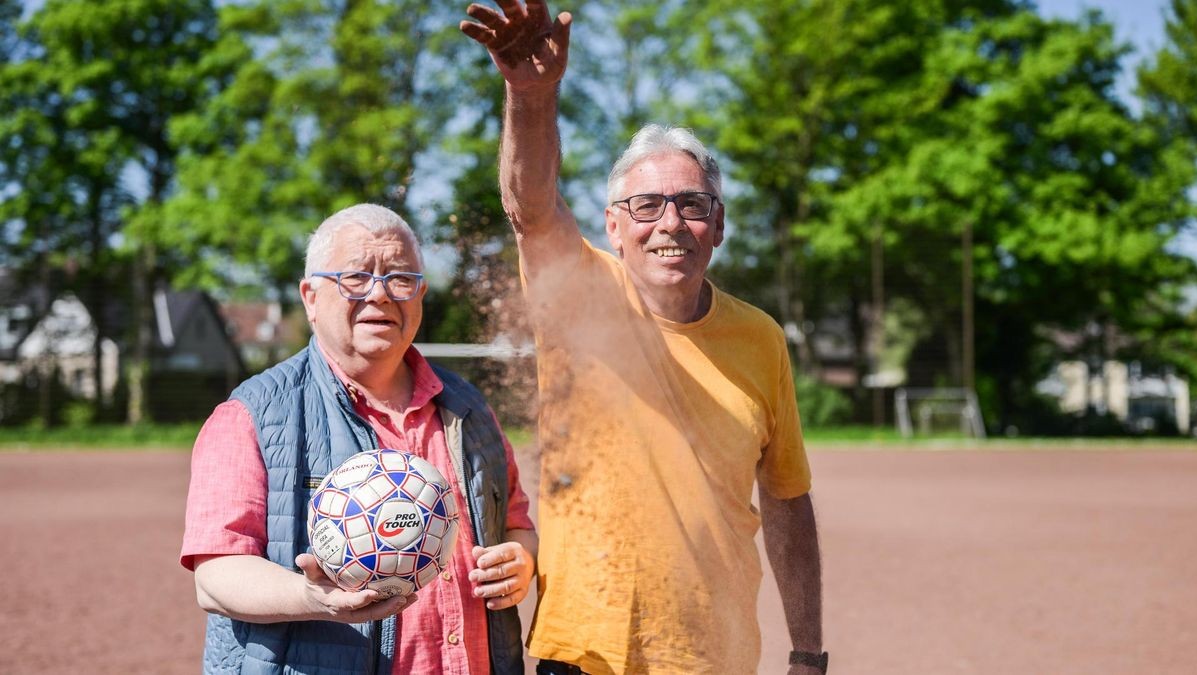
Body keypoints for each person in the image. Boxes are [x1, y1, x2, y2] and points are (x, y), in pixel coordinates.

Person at [461, 2, 826, 674]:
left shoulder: (760, 337)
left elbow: (785, 495)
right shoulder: (579, 294)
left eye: (692, 204)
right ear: (613, 225)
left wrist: (807, 649)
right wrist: (532, 95)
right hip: (583, 656)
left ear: (717, 226)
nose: (670, 222)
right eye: (646, 205)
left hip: (716, 656)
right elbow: (529, 202)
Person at [180, 203, 538, 675]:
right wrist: (313, 597)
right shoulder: (252, 414)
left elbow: (515, 522)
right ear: (310, 297)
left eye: (400, 278)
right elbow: (216, 576)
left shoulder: (468, 408)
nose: (381, 294)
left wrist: (520, 559)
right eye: (356, 277)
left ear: (420, 296)